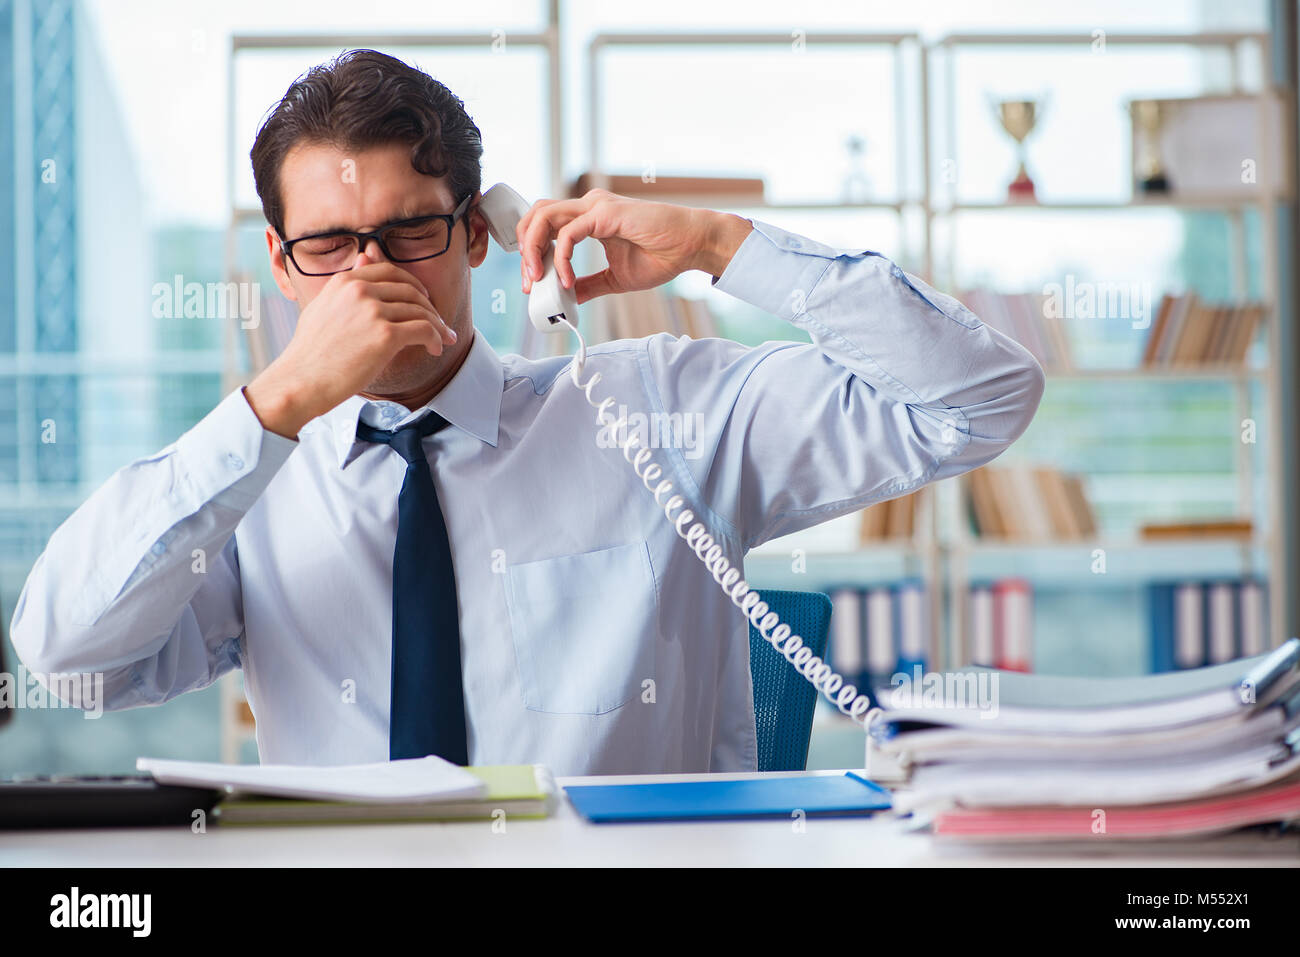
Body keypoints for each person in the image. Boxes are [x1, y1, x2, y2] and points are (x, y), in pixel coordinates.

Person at [10, 49, 1044, 775]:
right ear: (281, 267)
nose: (369, 276)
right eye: (328, 247)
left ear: (475, 235)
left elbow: (978, 398)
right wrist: (279, 401)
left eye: (409, 231)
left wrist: (719, 246)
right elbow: (67, 660)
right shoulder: (244, 480)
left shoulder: (656, 409)